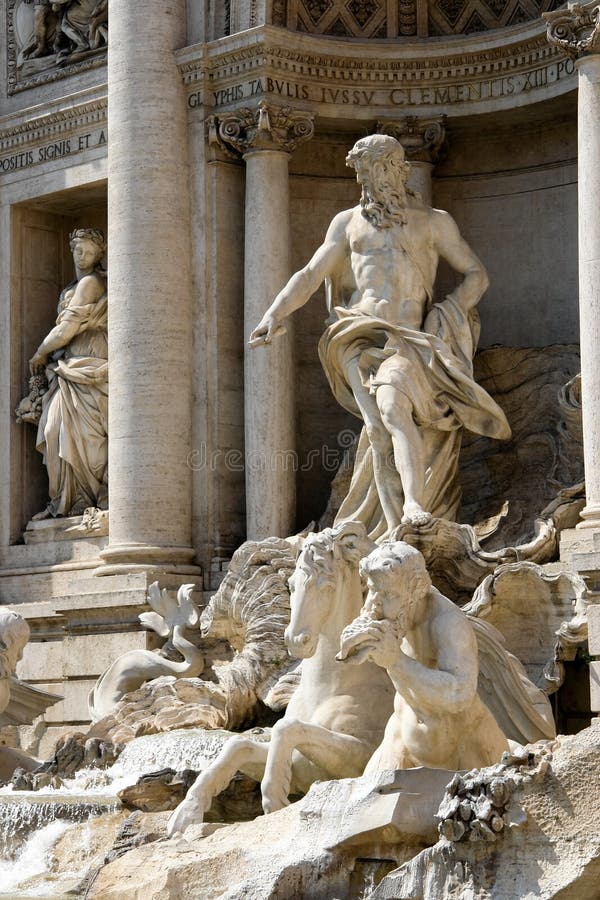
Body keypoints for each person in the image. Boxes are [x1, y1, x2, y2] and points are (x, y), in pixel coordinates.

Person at [249, 134, 510, 538]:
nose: (369, 182)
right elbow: (310, 275)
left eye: (377, 170)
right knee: (376, 428)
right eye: (363, 174)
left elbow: (477, 274)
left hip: (409, 337)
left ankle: (413, 503)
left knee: (391, 407)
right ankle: (394, 528)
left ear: (398, 169)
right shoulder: (348, 223)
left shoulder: (433, 221)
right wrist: (273, 314)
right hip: (357, 334)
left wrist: (448, 312)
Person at [337, 542, 509, 771]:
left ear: (415, 592)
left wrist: (395, 660)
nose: (374, 603)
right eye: (372, 589)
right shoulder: (396, 617)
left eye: (388, 594)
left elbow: (460, 693)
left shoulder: (448, 623)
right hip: (400, 737)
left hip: (466, 753)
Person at [28, 227, 107, 520]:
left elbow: (68, 328)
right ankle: (64, 502)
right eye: (78, 250)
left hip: (89, 364)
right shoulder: (73, 285)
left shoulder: (91, 283)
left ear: (99, 255)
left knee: (84, 437)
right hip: (69, 367)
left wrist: (40, 352)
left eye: (89, 251)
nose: (83, 256)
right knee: (54, 431)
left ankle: (82, 500)